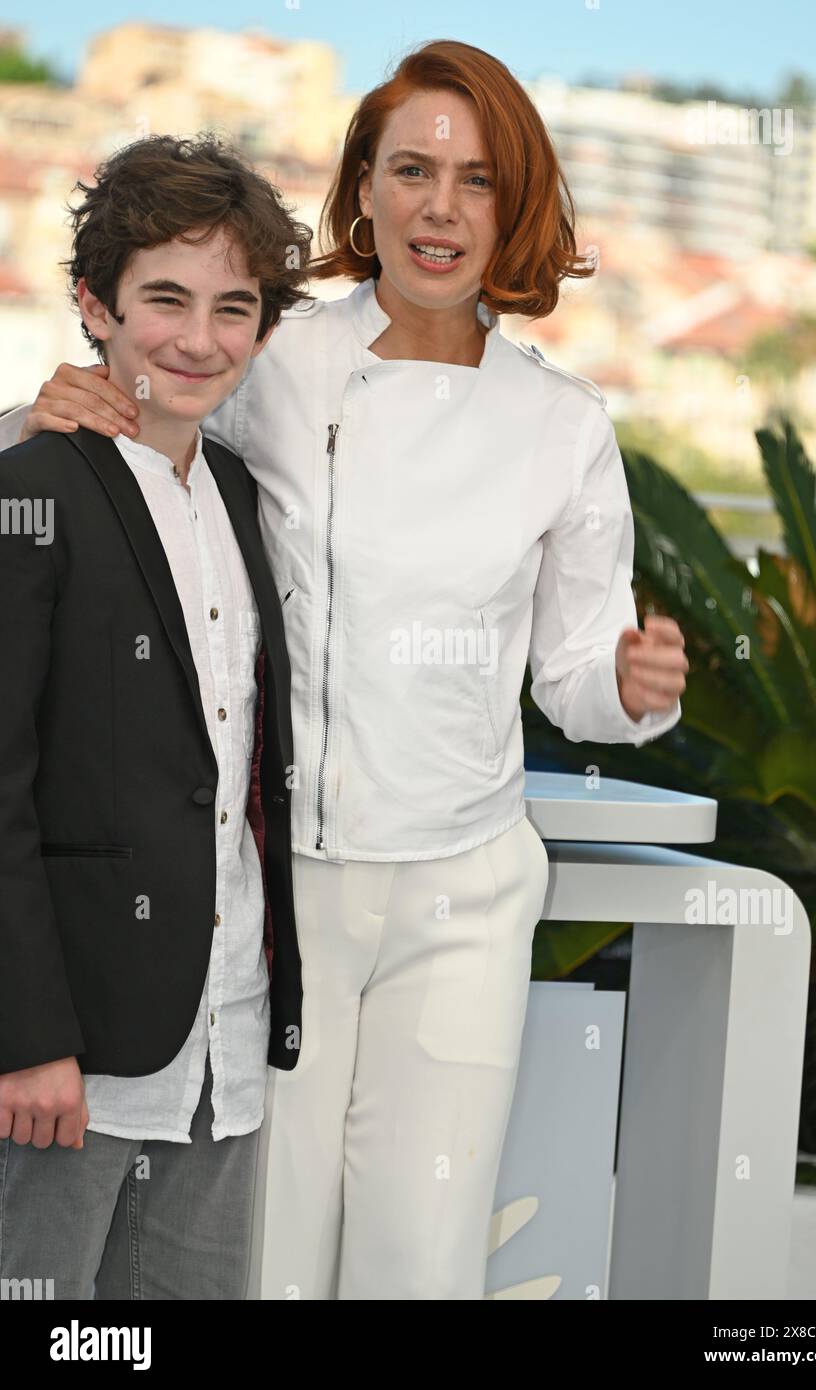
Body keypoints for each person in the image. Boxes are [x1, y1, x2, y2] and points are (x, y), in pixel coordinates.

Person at [0, 41, 688, 1300]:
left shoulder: (565, 425)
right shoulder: (278, 353)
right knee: (261, 1257)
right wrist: (42, 410)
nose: (440, 207)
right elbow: (132, 444)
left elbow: (574, 678)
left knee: (419, 1265)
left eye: (477, 180)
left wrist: (637, 691)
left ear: (514, 203)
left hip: (464, 896)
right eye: (410, 169)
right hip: (285, 900)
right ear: (361, 191)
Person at [0, 134, 311, 1299]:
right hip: (67, 1054)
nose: (198, 339)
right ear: (95, 305)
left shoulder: (236, 490)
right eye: (164, 299)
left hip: (224, 1031)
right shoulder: (33, 486)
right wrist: (24, 1034)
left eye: (234, 308)